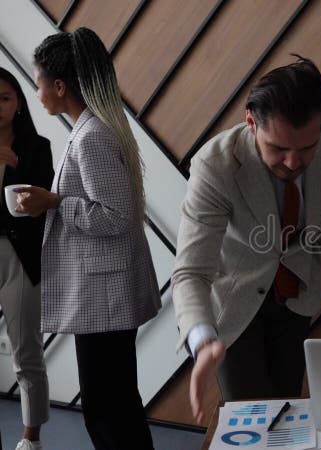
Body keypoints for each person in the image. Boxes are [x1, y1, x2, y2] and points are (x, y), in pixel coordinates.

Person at [172, 56, 321, 423]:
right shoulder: (215, 165)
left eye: (307, 148)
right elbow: (190, 272)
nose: (293, 163)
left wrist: (317, 260)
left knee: (287, 414)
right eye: (278, 149)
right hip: (234, 304)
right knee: (253, 422)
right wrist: (203, 339)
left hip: (297, 299)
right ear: (250, 122)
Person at [16, 28, 161, 450]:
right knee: (115, 406)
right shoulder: (93, 128)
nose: (37, 91)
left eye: (38, 80)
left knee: (108, 412)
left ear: (59, 86)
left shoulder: (92, 136)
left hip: (104, 299)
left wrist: (55, 202)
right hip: (105, 294)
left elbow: (116, 217)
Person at [0, 67, 54, 450]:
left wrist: (16, 168)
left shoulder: (37, 147)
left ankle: (30, 438)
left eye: (4, 98)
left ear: (18, 102)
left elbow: (41, 207)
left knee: (26, 349)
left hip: (19, 254)